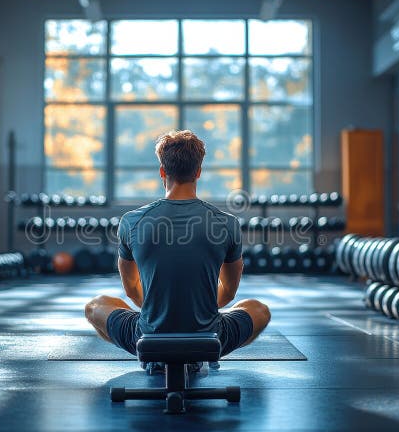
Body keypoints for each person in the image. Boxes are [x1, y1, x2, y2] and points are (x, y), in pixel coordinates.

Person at [84, 130, 271, 365]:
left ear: (162, 171)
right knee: (260, 310)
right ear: (198, 172)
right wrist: (194, 308)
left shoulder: (131, 222)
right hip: (211, 337)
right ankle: (197, 356)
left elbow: (131, 290)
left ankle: (154, 358)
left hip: (147, 337)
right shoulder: (227, 223)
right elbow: (229, 292)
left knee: (94, 306)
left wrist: (161, 309)